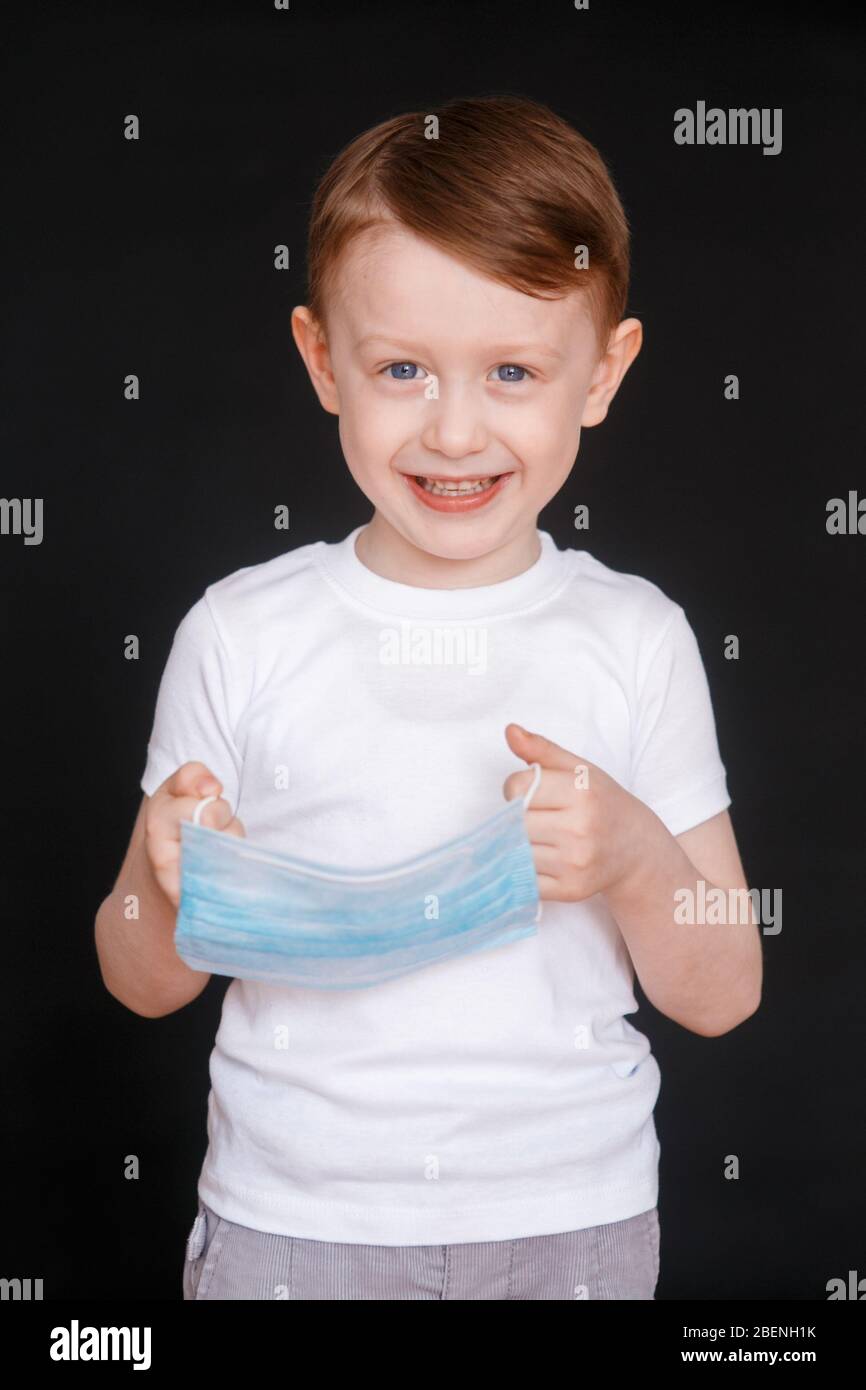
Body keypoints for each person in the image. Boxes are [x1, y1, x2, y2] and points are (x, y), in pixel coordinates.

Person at [94, 94, 762, 1300]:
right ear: (320, 362)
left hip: (571, 1219)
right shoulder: (240, 632)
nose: (454, 429)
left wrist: (629, 853)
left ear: (601, 374)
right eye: (400, 367)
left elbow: (723, 991)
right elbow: (141, 978)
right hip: (289, 1222)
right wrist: (155, 878)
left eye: (512, 370)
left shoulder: (635, 637)